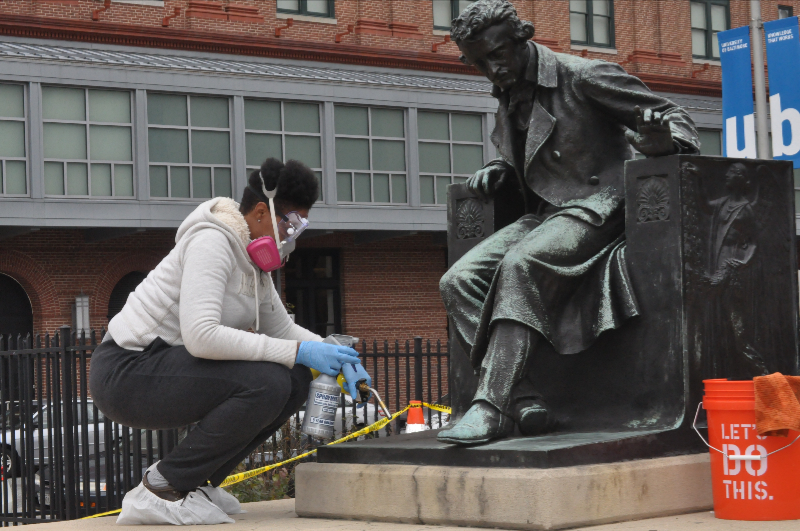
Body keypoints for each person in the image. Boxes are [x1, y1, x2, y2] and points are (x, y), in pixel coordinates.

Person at [437, 0, 700, 445]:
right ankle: (523, 400)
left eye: (497, 54)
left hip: (600, 205)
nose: (492, 69)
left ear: (521, 38)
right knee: (457, 280)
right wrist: (502, 167)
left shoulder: (584, 76)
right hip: (548, 213)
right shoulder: (509, 91)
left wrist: (662, 141)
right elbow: (540, 156)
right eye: (480, 62)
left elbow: (678, 119)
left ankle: (491, 407)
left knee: (521, 264)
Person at [89, 158, 371, 524]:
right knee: (269, 381)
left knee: (295, 378)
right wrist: (301, 351)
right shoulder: (211, 242)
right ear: (260, 212)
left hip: (162, 367)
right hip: (126, 372)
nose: (294, 235)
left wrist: (335, 353)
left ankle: (199, 483)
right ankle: (162, 488)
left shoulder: (254, 264)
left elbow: (283, 329)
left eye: (301, 225)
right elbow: (201, 336)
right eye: (291, 223)